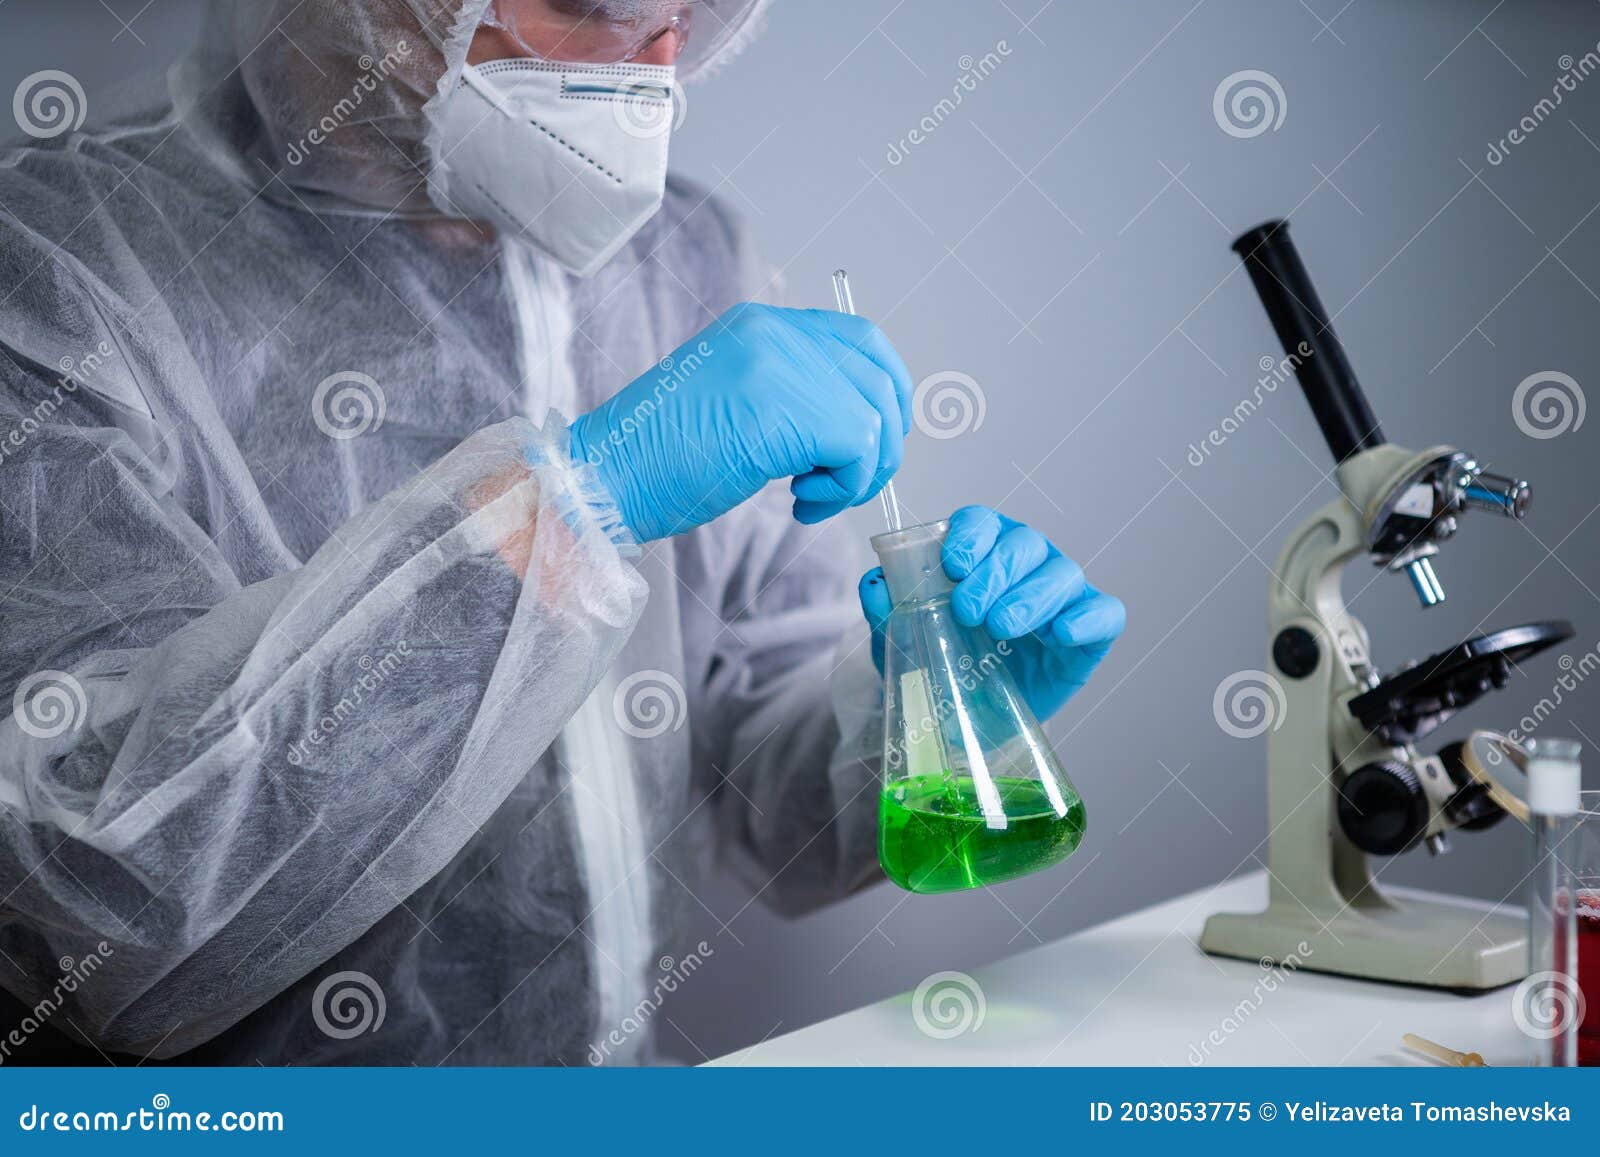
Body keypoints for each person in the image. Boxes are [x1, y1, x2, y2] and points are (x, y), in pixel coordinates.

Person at [0, 0, 1124, 1065]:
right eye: (591, 10)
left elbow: (761, 791)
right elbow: (92, 909)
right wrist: (582, 499)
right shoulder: (53, 272)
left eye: (677, 26)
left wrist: (925, 702)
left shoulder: (686, 260)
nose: (638, 83)